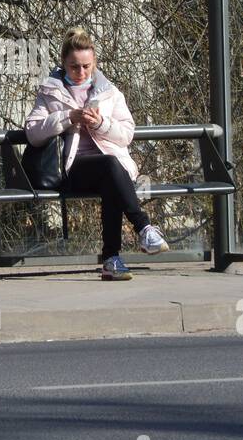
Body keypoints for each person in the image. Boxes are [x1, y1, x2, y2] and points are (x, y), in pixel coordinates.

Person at [25, 26, 169, 280]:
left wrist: (101, 124)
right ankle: (144, 227)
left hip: (111, 165)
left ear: (95, 63)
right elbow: (33, 133)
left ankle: (112, 260)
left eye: (86, 66)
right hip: (73, 167)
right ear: (63, 63)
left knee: (112, 174)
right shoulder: (50, 91)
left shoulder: (109, 92)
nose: (81, 73)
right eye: (74, 67)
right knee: (111, 168)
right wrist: (67, 117)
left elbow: (126, 134)